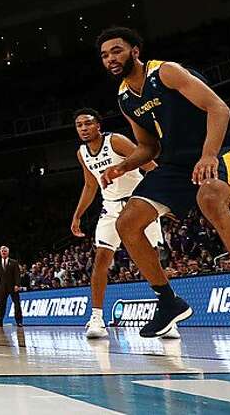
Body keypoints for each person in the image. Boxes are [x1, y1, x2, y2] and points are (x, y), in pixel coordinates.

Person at [96, 26, 230, 340]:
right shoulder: (124, 97)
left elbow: (218, 108)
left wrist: (209, 154)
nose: (111, 58)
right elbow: (148, 146)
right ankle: (168, 302)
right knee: (127, 223)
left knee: (209, 199)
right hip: (177, 163)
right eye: (104, 55)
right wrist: (124, 166)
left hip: (222, 149)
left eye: (117, 50)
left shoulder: (166, 73)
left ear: (135, 51)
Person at [68, 107, 169, 339]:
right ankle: (96, 318)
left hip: (138, 204)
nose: (83, 128)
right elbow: (90, 185)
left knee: (152, 260)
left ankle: (167, 313)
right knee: (100, 260)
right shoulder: (81, 153)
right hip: (111, 207)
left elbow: (150, 166)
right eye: (79, 125)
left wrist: (160, 198)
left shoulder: (116, 141)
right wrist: (77, 215)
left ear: (98, 125)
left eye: (88, 123)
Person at [0, 246, 22, 326]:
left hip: (12, 286)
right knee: (0, 305)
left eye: (5, 251)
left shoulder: (14, 262)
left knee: (17, 304)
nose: (3, 252)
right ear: (0, 252)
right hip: (2, 287)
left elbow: (17, 275)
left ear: (8, 252)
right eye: (2, 251)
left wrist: (17, 285)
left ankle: (19, 321)